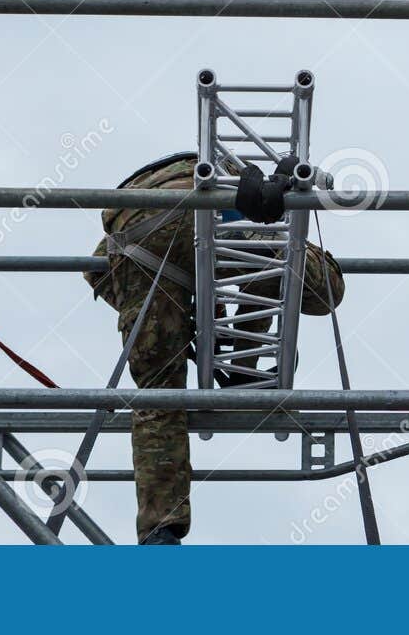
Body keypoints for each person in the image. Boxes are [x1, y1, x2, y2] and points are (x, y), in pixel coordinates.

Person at [85, 152, 344, 544]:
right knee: (313, 282)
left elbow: (95, 271)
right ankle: (244, 365)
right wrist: (289, 218)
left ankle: (160, 531)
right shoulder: (253, 197)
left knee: (157, 391)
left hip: (130, 221)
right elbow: (325, 293)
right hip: (209, 202)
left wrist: (172, 327)